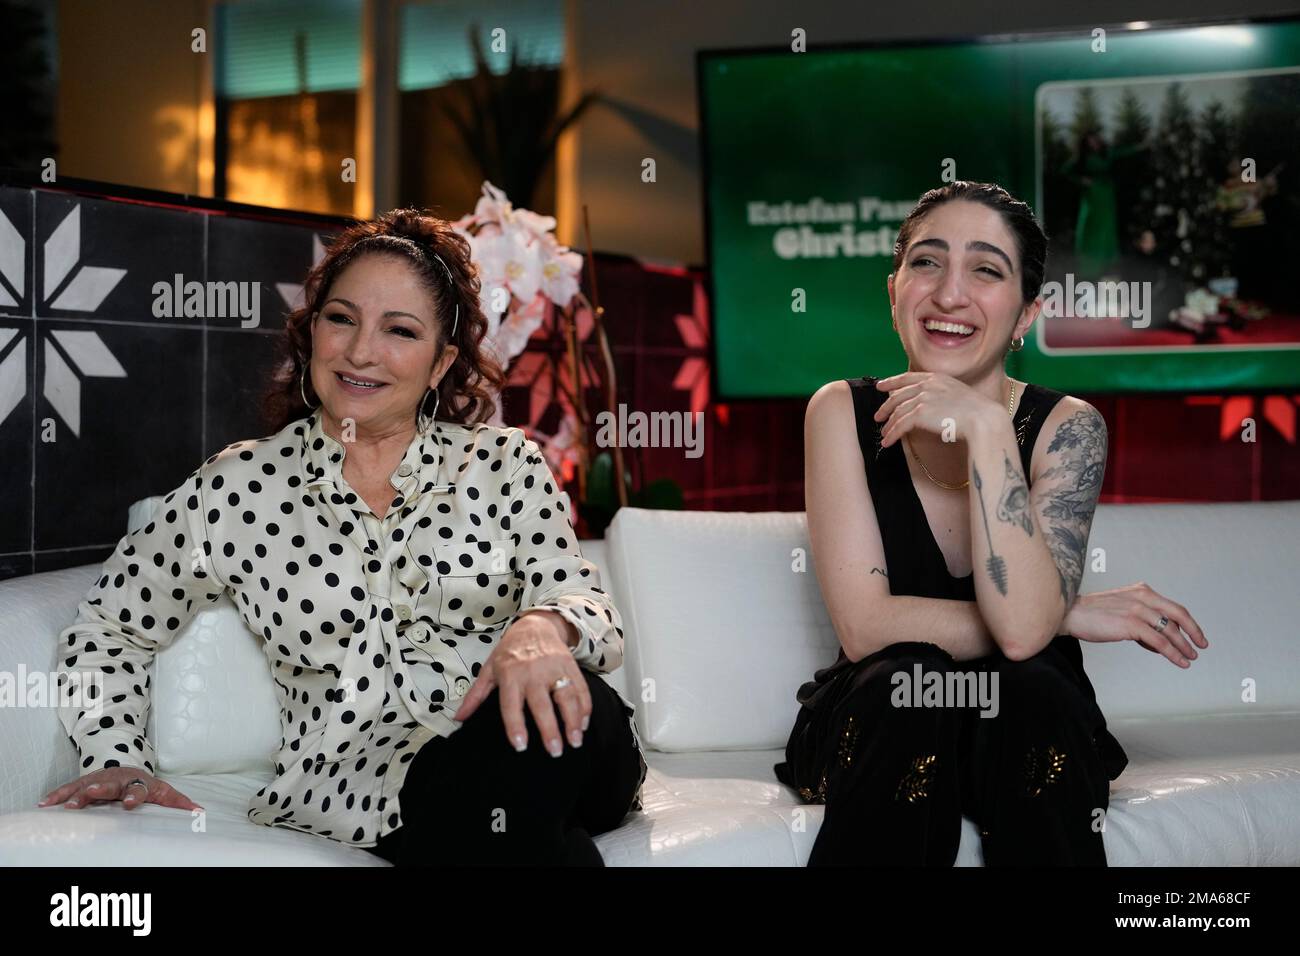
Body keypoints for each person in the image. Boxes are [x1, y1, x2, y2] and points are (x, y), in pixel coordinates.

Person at [40, 208, 648, 866]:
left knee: (531, 731)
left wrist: (541, 627)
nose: (360, 351)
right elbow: (109, 627)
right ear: (312, 333)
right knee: (514, 835)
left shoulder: (504, 463)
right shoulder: (238, 488)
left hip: (561, 734)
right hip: (373, 786)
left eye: (400, 330)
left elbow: (586, 603)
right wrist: (118, 757)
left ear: (441, 362)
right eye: (342, 319)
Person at [773, 181, 1208, 867]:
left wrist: (985, 429)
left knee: (1029, 683)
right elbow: (865, 626)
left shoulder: (1069, 427)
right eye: (926, 263)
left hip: (1026, 714)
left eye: (985, 269)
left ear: (1025, 313)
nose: (949, 294)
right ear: (894, 294)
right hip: (885, 716)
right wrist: (1069, 613)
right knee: (905, 683)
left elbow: (1023, 635)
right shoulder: (839, 412)